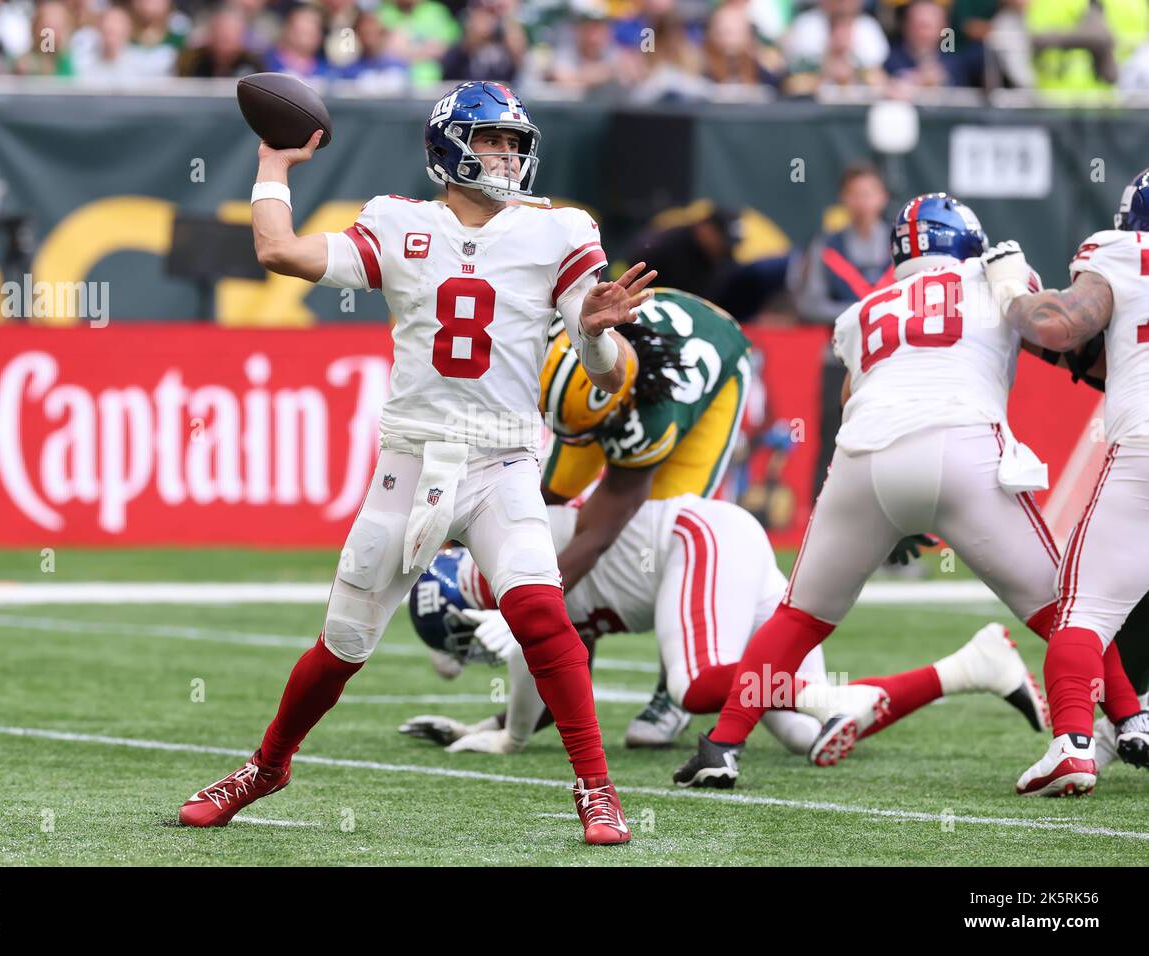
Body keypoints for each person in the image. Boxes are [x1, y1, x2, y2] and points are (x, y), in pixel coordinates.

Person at [178, 81, 657, 844]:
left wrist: (595, 334)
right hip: (412, 461)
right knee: (341, 648)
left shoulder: (559, 231)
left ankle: (596, 789)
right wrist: (273, 166)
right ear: (447, 147)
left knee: (538, 608)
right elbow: (277, 250)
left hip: (502, 460)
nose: (506, 154)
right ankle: (267, 766)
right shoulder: (398, 223)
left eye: (513, 142)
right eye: (491, 139)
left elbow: (607, 376)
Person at [674, 193, 1145, 789]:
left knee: (799, 619)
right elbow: (1052, 332)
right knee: (1071, 609)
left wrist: (885, 512)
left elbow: (850, 402)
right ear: (968, 242)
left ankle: (721, 745)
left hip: (864, 460)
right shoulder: (997, 277)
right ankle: (1130, 718)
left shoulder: (863, 310)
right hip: (963, 446)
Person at [400, 497, 1048, 767]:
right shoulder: (506, 563)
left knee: (694, 686)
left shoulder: (508, 556)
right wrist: (480, 728)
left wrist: (508, 738)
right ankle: (974, 666)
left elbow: (528, 672)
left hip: (696, 541)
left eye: (460, 639)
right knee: (806, 735)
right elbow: (546, 685)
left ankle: (830, 694)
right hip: (718, 545)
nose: (472, 649)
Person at [540, 287, 751, 746]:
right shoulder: (561, 341)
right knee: (549, 499)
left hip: (712, 366)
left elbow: (598, 536)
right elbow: (546, 503)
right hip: (627, 360)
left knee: (665, 530)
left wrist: (525, 612)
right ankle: (560, 671)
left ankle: (672, 690)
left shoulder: (654, 413)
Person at [997, 169, 1149, 796]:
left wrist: (1009, 290)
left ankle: (1074, 746)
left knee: (1081, 606)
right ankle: (1129, 720)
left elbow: (1061, 325)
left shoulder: (1124, 251)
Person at [792, 162, 892, 497]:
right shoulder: (827, 246)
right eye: (854, 195)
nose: (862, 202)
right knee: (834, 437)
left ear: (882, 197)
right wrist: (864, 312)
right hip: (840, 359)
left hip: (890, 360)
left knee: (891, 439)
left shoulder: (898, 245)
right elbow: (809, 304)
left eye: (869, 194)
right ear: (843, 200)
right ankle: (821, 512)